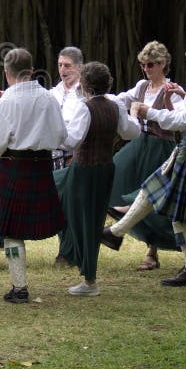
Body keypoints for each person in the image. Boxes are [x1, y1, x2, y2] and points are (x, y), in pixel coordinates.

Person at [102, 28, 186, 287]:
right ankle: (115, 232)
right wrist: (179, 103)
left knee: (178, 212)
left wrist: (151, 113)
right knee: (152, 188)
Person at [0, 48, 67, 303]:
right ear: (31, 70)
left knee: (11, 231)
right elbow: (60, 136)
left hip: (13, 167)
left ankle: (19, 288)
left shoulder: (5, 103)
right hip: (41, 168)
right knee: (11, 227)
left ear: (7, 72)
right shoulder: (49, 99)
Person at [59, 62, 140, 296]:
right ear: (108, 84)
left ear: (85, 85)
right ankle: (86, 271)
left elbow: (72, 141)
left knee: (81, 219)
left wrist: (55, 130)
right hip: (105, 168)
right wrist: (134, 116)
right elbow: (131, 132)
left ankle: (89, 279)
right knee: (91, 220)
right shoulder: (115, 106)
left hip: (84, 170)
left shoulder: (85, 108)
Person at [107, 41, 181, 271]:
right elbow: (121, 99)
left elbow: (179, 119)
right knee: (112, 173)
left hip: (161, 146)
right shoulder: (142, 86)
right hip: (140, 145)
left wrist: (152, 112)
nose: (146, 69)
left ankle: (152, 252)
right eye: (143, 65)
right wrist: (98, 96)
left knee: (153, 198)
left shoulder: (171, 89)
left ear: (162, 64)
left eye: (151, 65)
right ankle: (121, 217)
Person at [50, 47, 86, 265]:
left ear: (79, 67)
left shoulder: (84, 93)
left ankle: (70, 251)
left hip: (75, 152)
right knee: (58, 200)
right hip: (54, 154)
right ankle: (65, 247)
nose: (63, 70)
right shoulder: (53, 93)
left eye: (68, 66)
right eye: (60, 65)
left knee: (72, 201)